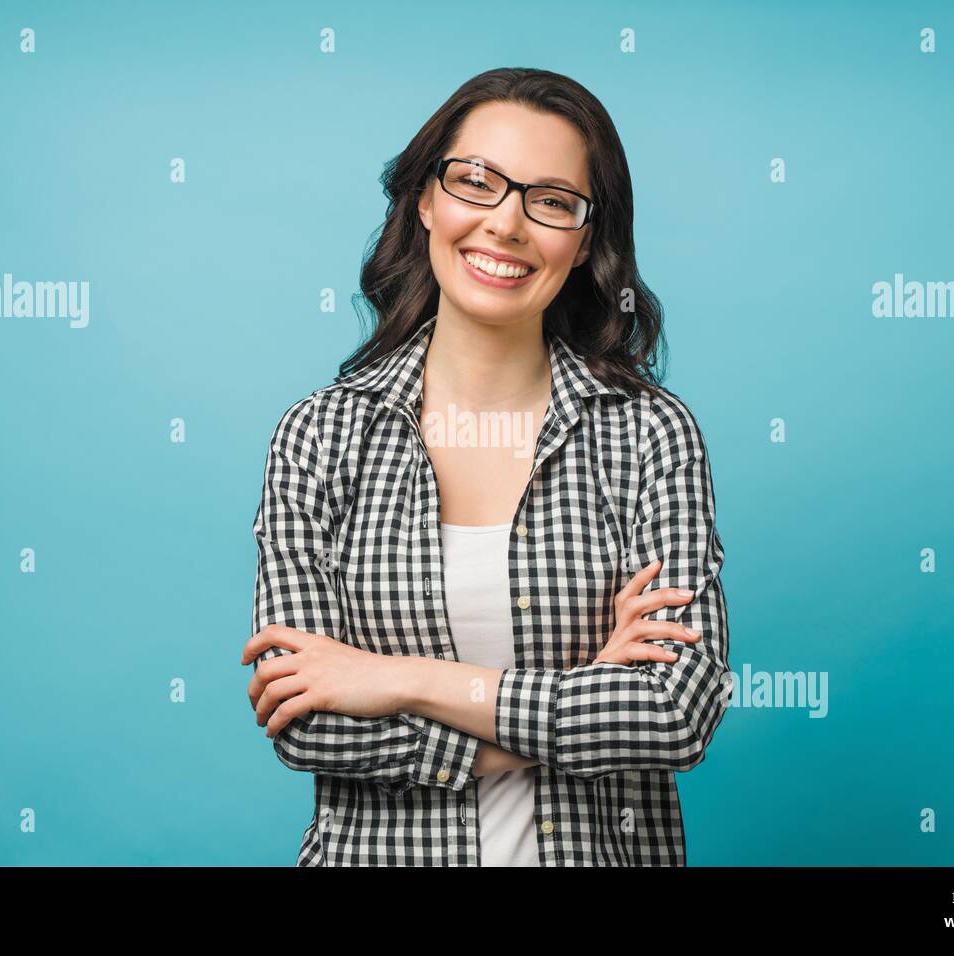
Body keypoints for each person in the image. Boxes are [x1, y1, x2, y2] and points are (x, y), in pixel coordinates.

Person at [242, 67, 731, 866]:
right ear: (425, 200)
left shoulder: (649, 434)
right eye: (476, 182)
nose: (506, 224)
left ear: (584, 243)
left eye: (551, 201)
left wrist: (399, 680)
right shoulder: (318, 438)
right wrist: (585, 697)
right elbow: (310, 724)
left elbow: (675, 712)